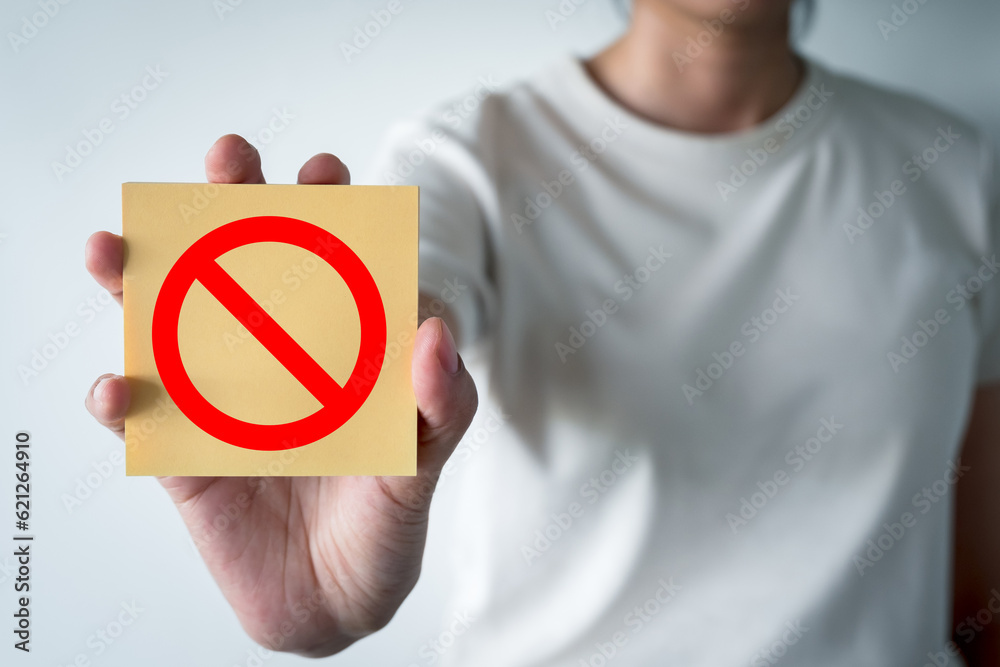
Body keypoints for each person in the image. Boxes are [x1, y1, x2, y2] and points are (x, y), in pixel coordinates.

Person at [84, 0, 1000, 664]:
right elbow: (407, 300)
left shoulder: (959, 174)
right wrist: (331, 387)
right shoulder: (469, 154)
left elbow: (976, 589)